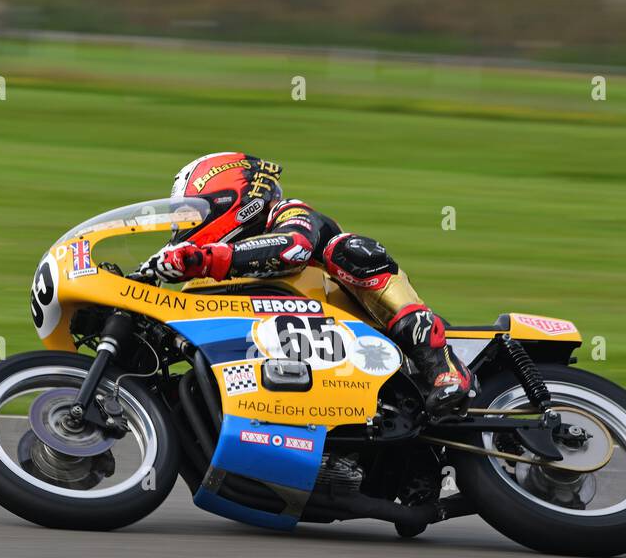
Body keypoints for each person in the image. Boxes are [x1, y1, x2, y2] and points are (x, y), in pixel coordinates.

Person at [141, 152, 474, 416]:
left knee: (349, 250)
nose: (188, 224)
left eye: (196, 213)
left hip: (367, 336)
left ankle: (440, 362)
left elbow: (293, 247)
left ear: (239, 199)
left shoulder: (287, 214)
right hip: (308, 367)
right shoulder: (209, 272)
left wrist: (206, 257)